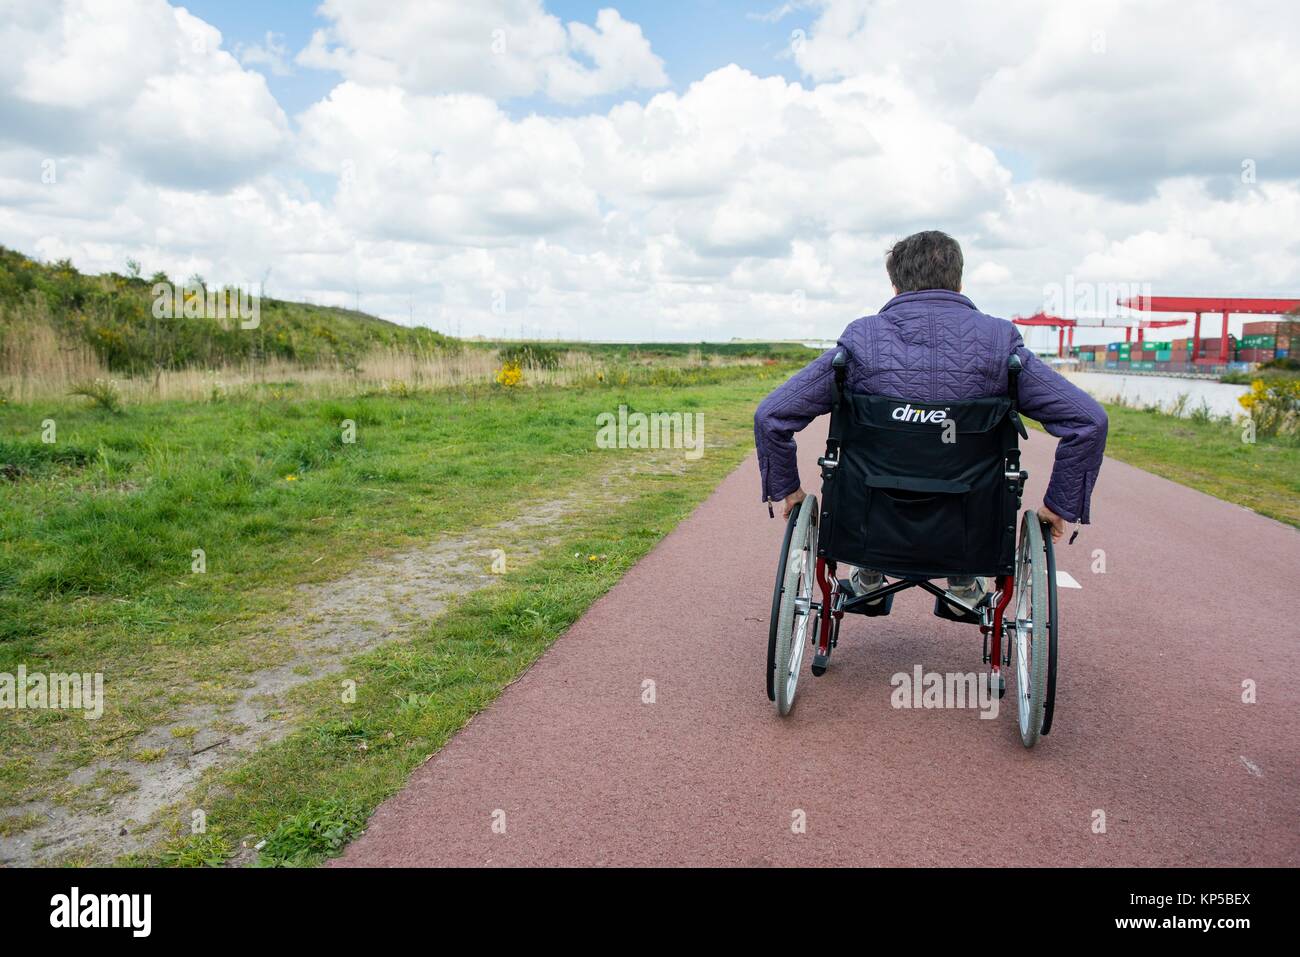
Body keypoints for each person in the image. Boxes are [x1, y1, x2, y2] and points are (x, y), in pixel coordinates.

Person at [753, 230, 1108, 609]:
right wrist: (1058, 507)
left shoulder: (861, 339)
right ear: (959, 282)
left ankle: (869, 574)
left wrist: (787, 490)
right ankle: (962, 583)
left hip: (867, 523)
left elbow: (771, 415)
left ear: (895, 286)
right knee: (961, 474)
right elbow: (1088, 421)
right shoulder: (1000, 341)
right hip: (971, 527)